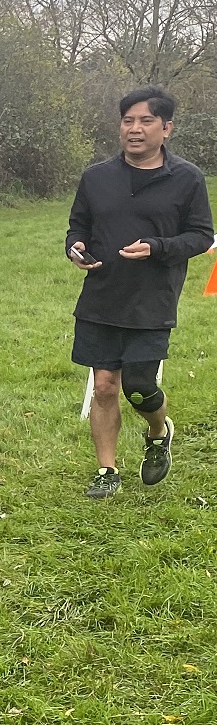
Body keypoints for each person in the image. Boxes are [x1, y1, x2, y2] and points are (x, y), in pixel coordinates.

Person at [67, 87, 213, 499]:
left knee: (139, 387)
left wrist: (158, 247)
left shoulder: (186, 179)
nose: (134, 129)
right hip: (100, 297)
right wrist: (74, 249)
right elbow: (77, 227)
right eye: (128, 121)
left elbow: (202, 236)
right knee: (105, 386)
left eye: (146, 121)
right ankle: (106, 470)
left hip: (152, 300)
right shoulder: (96, 177)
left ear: (166, 128)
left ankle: (157, 431)